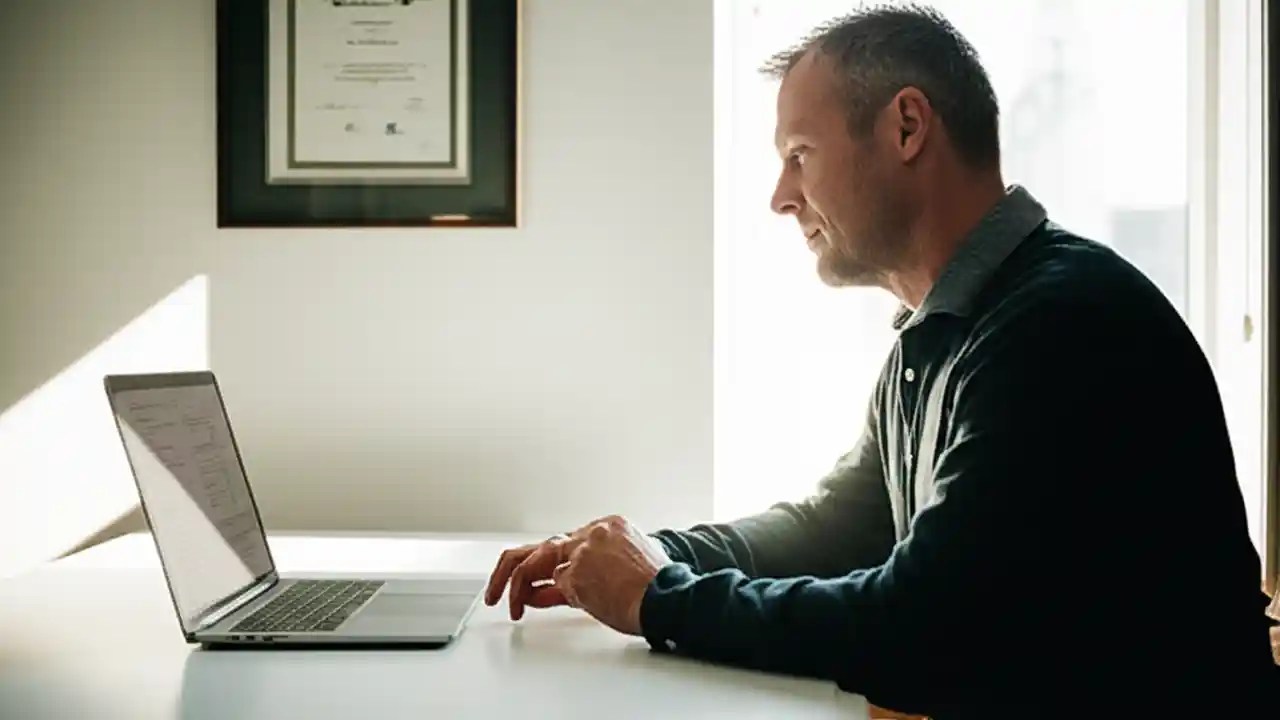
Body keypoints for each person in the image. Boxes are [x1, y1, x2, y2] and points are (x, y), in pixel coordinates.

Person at [484, 4, 1277, 717]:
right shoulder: (943, 328)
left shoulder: (1058, 325)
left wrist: (657, 599)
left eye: (800, 153)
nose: (780, 196)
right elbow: (832, 529)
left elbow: (918, 629)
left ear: (906, 128)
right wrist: (646, 553)